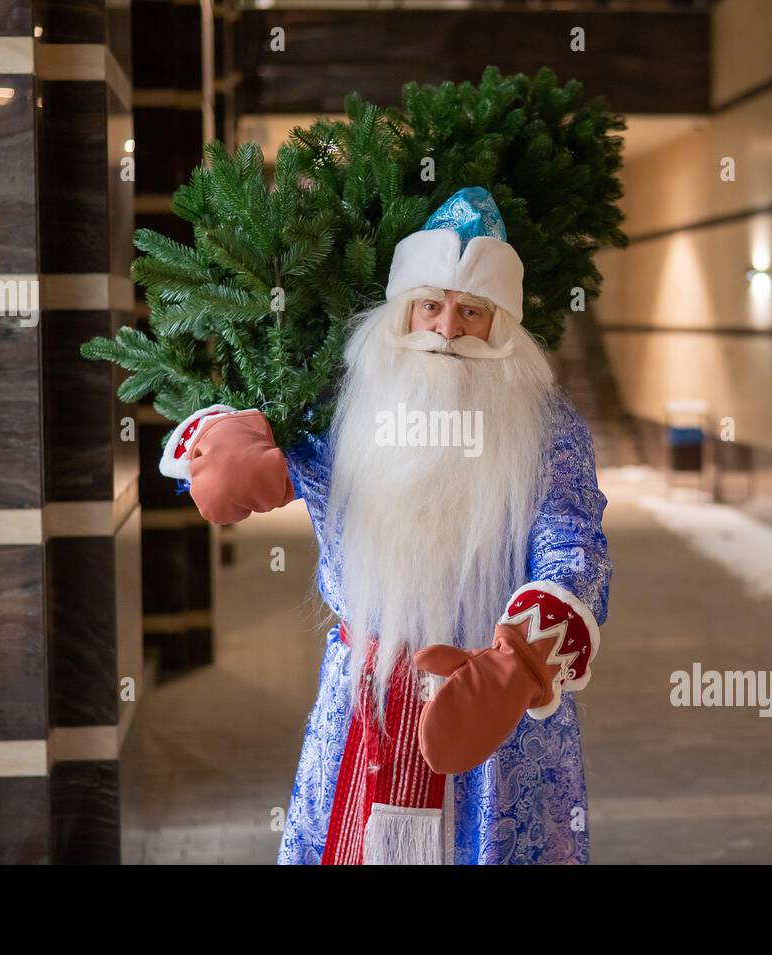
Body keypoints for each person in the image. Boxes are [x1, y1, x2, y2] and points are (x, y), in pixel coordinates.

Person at [160, 187, 611, 864]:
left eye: (472, 310)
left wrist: (521, 661)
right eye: (431, 304)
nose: (447, 326)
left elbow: (574, 547)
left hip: (493, 706)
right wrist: (221, 444)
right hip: (362, 698)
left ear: (503, 325)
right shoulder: (343, 406)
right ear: (403, 311)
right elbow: (253, 437)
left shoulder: (549, 431)